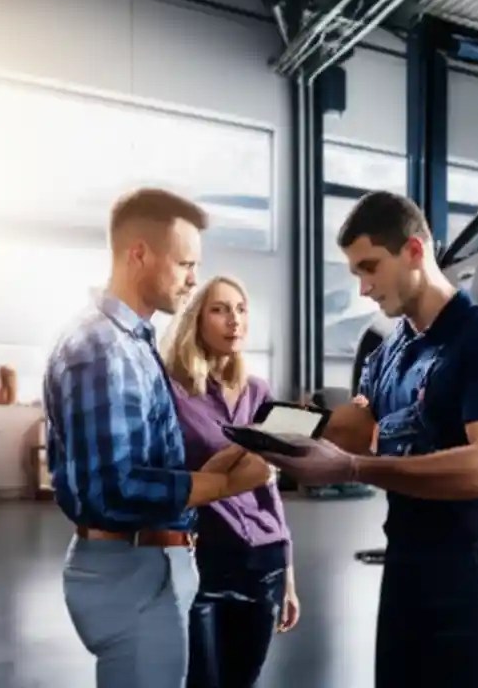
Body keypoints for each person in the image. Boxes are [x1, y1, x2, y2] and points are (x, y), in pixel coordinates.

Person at [255, 191, 478, 688]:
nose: (363, 289)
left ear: (414, 250)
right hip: (407, 569)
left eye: (370, 268)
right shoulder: (386, 355)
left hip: (475, 582)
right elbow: (357, 428)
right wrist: (276, 426)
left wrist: (351, 469)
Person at [42, 188, 273, 688]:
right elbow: (113, 490)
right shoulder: (101, 349)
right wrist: (224, 487)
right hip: (129, 572)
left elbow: (141, 466)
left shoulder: (135, 342)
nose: (194, 278)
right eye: (186, 263)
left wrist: (211, 472)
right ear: (139, 254)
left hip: (150, 565)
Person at [161, 274, 300, 687]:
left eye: (241, 309)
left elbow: (267, 486)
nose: (234, 320)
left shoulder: (257, 391)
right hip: (204, 560)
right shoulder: (171, 391)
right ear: (196, 320)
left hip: (265, 559)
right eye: (220, 309)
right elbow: (177, 478)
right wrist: (243, 449)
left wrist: (288, 574)